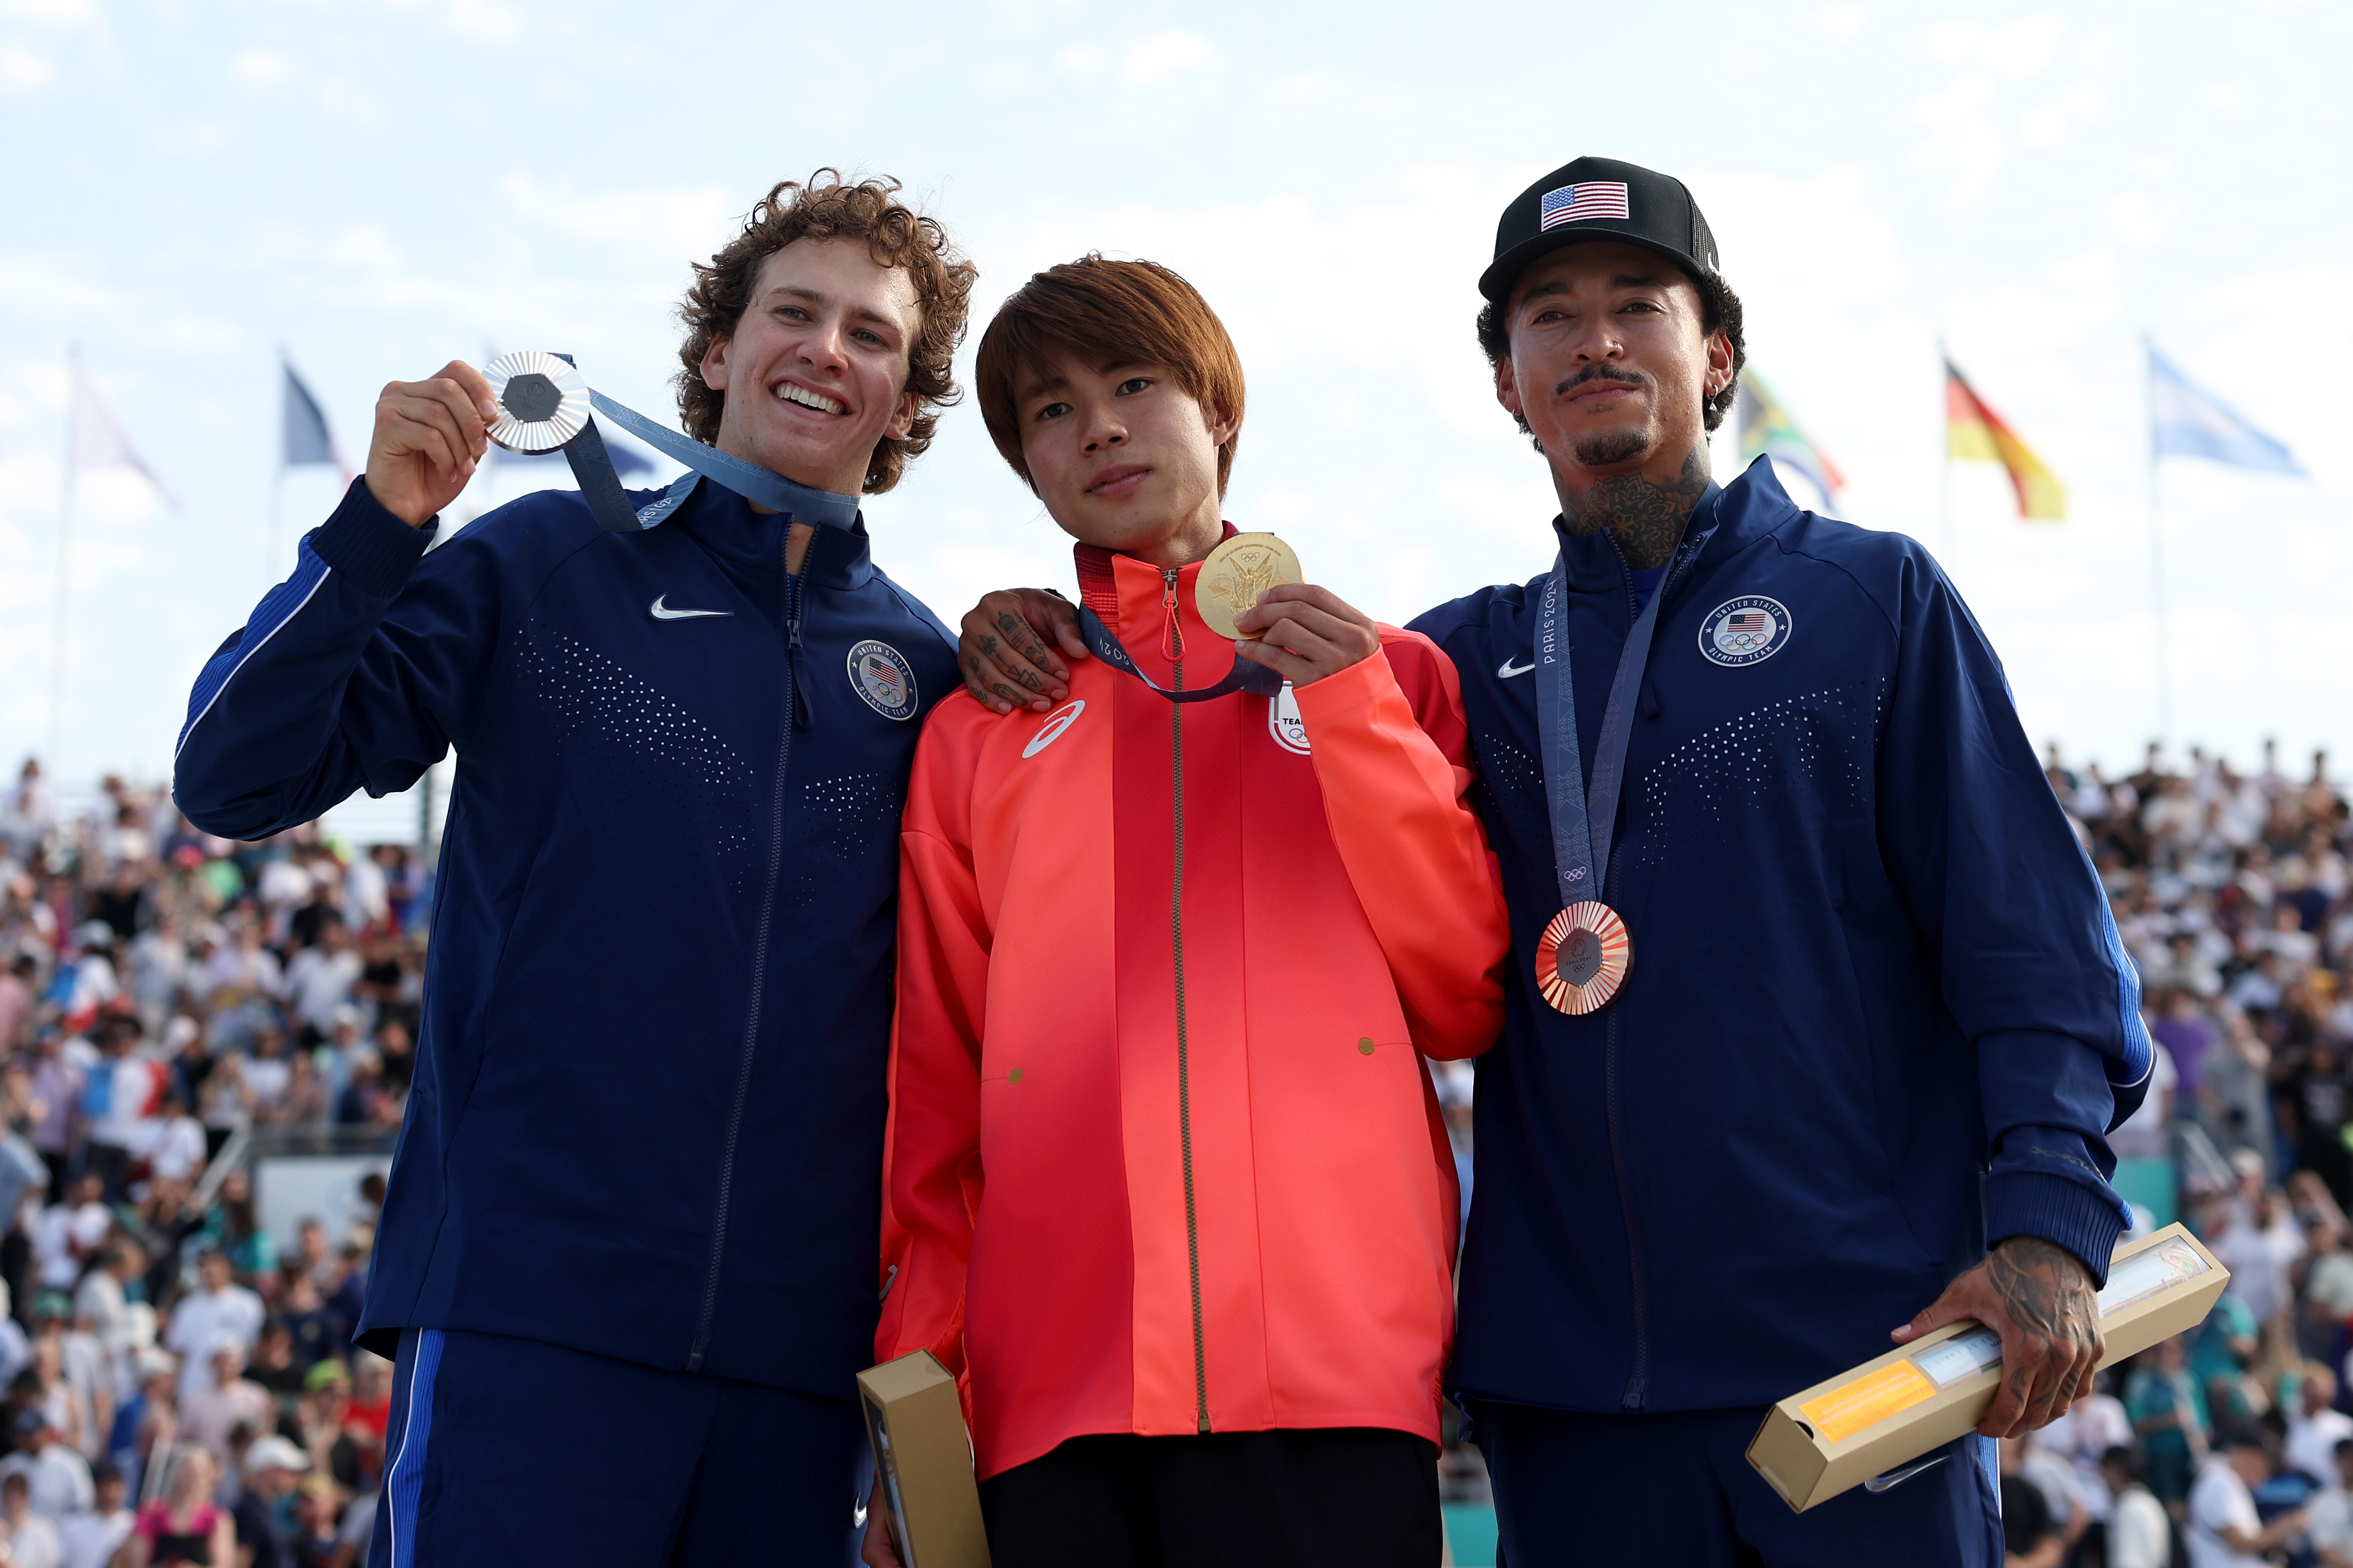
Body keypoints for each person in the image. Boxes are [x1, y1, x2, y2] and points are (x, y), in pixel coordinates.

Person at [952, 155, 2154, 1564]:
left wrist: (2048, 1223)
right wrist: (1037, 625)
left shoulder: (1868, 599)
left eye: (1636, 304)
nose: (1593, 341)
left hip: (1858, 1352)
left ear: (1716, 355)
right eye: (1549, 317)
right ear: (1506, 386)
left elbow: (2034, 945)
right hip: (1572, 1400)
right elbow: (1206, 709)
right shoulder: (1451, 663)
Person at [169, 170, 976, 1566]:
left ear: (907, 402)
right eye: (793, 313)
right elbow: (232, 778)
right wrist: (378, 527)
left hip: (798, 1379)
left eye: (870, 335)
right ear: (715, 352)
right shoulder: (547, 557)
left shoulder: (930, 675)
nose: (826, 350)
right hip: (528, 1319)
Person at [865, 257, 1508, 1568]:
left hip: (1332, 1378)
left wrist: (1352, 715)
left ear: (1218, 410)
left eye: (1133, 384)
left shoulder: (1391, 675)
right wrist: (918, 1403)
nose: (1098, 427)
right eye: (1051, 411)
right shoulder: (980, 725)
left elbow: (1462, 995)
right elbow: (934, 1103)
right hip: (1053, 1396)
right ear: (1028, 467)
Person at [2185, 1433, 2304, 1568]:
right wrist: (2288, 1525)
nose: (2263, 1479)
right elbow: (2239, 1545)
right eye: (2264, 1468)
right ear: (2250, 1456)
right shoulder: (2220, 1484)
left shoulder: (2227, 1481)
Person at [162, 1253, 261, 1409]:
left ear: (228, 1269)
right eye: (205, 1267)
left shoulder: (248, 1304)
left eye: (216, 1266)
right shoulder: (187, 1307)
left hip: (233, 1392)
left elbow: (253, 1347)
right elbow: (179, 1353)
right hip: (193, 1389)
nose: (210, 1271)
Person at [123, 1445, 235, 1568]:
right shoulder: (150, 1514)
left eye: (201, 1473)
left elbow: (223, 1564)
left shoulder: (217, 1519)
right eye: (189, 1472)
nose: (194, 1479)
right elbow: (135, 1563)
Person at [230, 1435, 309, 1568]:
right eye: (290, 1471)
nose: (295, 1478)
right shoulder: (250, 1512)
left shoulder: (260, 1509)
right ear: (269, 1471)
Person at [0, 1409, 94, 1521]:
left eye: (31, 1433)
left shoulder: (70, 1463)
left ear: (45, 1432)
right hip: (18, 1529)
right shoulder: (9, 1464)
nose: (27, 1438)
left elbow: (83, 1504)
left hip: (61, 1528)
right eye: (22, 1434)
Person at [2098, 1445, 2172, 1568]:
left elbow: (2131, 1563)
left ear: (2113, 1470)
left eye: (2103, 1473)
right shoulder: (2147, 1502)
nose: (2102, 1481)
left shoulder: (2131, 1507)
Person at [55, 1461, 133, 1568]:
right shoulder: (72, 1525)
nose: (110, 1491)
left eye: (115, 1484)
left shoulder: (133, 1525)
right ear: (95, 1487)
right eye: (105, 1485)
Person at [0, 1472, 62, 1568]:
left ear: (26, 1497)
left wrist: (3, 1552)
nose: (13, 1500)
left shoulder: (43, 1530)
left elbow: (53, 1564)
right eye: (9, 1495)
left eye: (18, 1495)